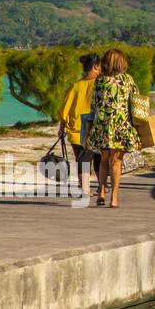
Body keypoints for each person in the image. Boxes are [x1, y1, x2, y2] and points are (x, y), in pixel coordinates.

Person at [87, 48, 141, 208]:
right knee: (116, 162)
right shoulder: (127, 80)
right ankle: (114, 198)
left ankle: (102, 191)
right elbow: (136, 104)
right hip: (121, 125)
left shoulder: (99, 80)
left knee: (103, 160)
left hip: (102, 125)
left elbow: (93, 105)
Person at [59, 53, 102, 200]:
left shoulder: (76, 86)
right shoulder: (100, 84)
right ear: (96, 67)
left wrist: (61, 128)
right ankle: (99, 187)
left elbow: (65, 109)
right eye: (100, 66)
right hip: (96, 128)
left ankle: (85, 188)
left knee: (82, 159)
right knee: (97, 159)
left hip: (76, 128)